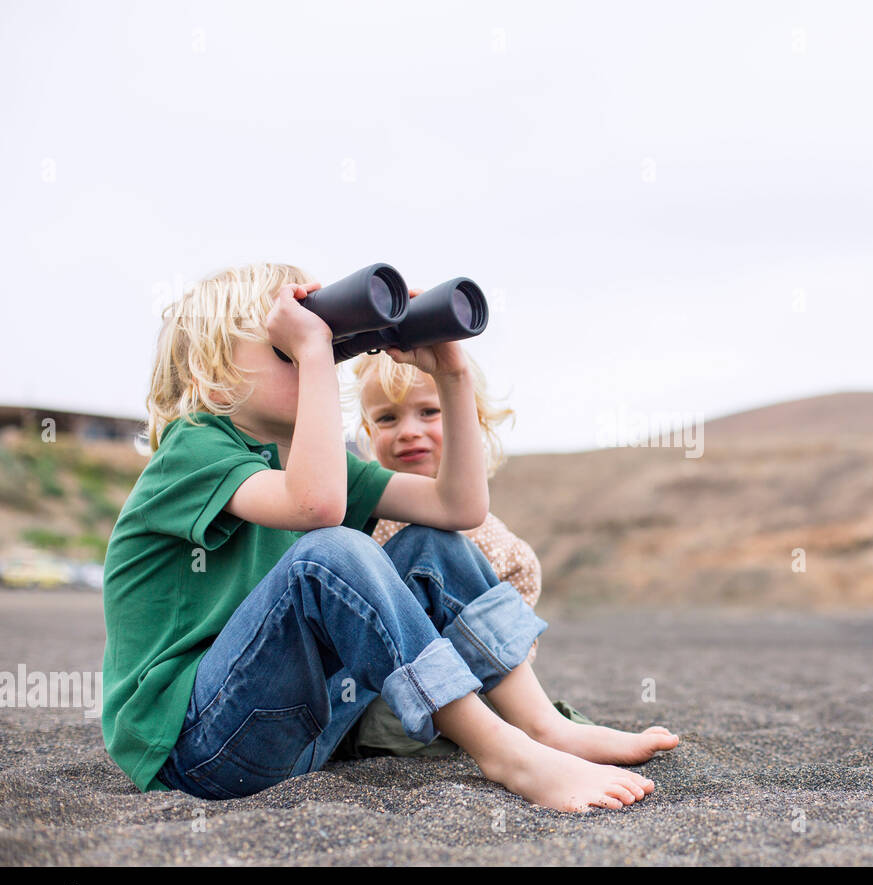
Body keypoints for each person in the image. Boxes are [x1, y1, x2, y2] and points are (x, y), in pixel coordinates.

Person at [100, 263, 678, 813]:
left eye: (325, 342)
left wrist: (449, 372)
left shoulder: (308, 464)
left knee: (431, 544)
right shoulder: (192, 450)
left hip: (308, 735)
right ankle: (507, 755)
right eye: (288, 349)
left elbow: (459, 508)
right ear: (212, 374)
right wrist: (315, 351)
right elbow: (317, 508)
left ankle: (543, 726)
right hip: (198, 750)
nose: (317, 357)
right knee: (330, 553)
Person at [329, 340, 590, 759]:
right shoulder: (359, 518)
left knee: (504, 706)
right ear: (367, 434)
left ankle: (544, 731)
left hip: (471, 691)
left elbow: (512, 652)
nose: (408, 430)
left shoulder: (500, 545)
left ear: (473, 423)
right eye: (387, 418)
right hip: (379, 694)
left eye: (429, 411)